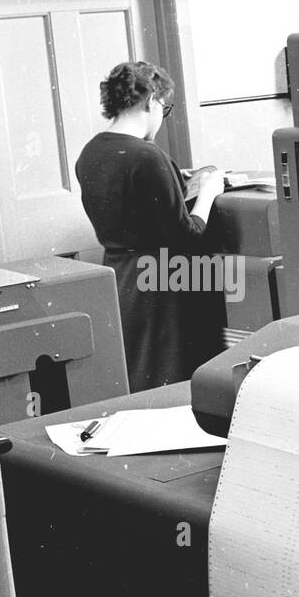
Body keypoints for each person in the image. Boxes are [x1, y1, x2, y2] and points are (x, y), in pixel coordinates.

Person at [75, 61, 227, 391]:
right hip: (158, 285)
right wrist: (209, 193)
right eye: (163, 107)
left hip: (120, 278)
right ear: (150, 100)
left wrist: (174, 180)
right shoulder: (147, 156)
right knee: (170, 378)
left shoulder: (90, 152)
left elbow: (131, 203)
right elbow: (188, 236)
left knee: (140, 375)